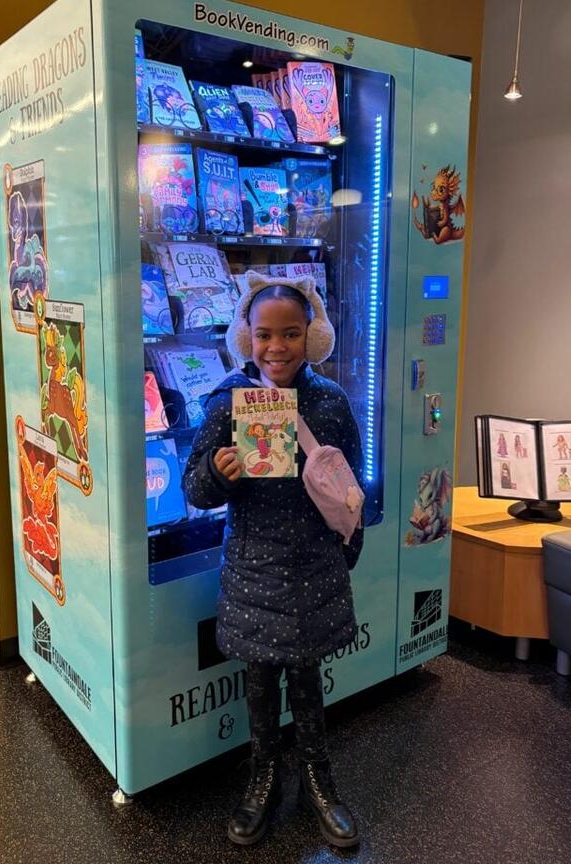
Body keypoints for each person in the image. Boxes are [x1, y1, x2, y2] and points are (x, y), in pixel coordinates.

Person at [183, 274, 363, 849]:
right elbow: (193, 488)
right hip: (253, 568)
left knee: (308, 681)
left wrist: (347, 549)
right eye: (264, 334)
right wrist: (217, 471)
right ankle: (262, 776)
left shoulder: (331, 403)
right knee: (259, 684)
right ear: (245, 337)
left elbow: (353, 484)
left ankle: (319, 780)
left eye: (290, 333)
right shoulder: (227, 400)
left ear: (312, 335)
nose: (276, 347)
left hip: (313, 568)